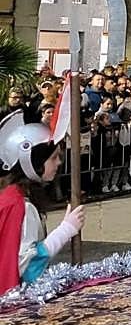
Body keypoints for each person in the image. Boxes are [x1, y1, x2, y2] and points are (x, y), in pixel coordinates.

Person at [0, 113, 85, 292]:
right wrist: (65, 230)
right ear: (33, 163)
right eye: (53, 158)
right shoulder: (21, 205)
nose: (59, 162)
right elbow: (26, 267)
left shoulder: (11, 196)